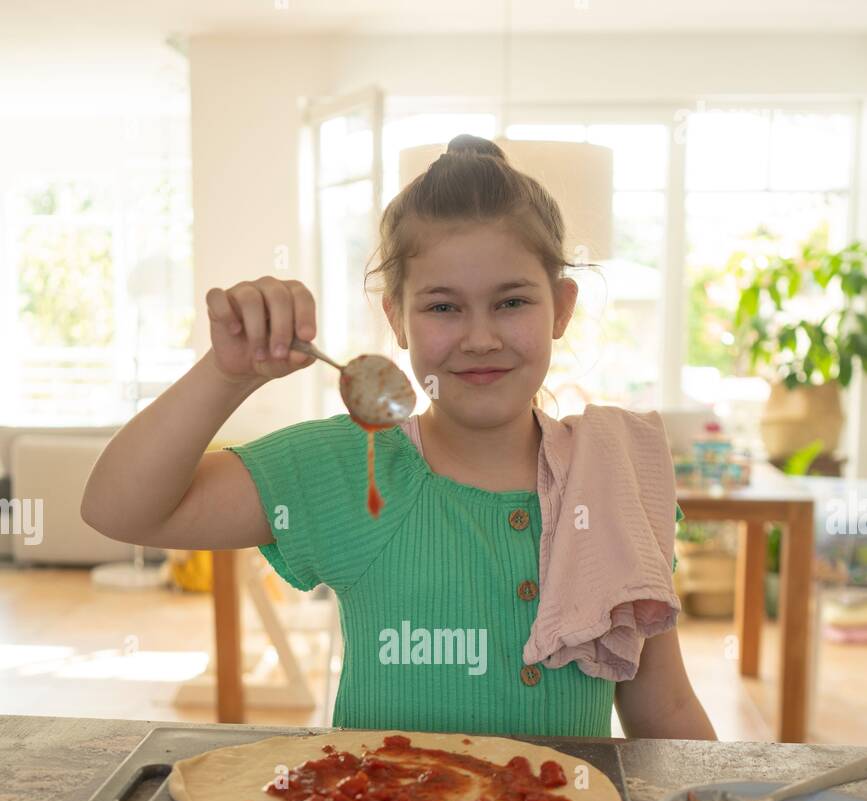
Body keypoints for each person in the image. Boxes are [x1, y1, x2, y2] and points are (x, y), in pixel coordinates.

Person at [82, 133, 716, 740]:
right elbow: (119, 508)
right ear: (397, 318)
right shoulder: (348, 467)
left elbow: (666, 705)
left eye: (512, 302)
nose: (480, 338)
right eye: (443, 307)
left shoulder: (614, 475)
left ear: (563, 306)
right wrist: (225, 374)